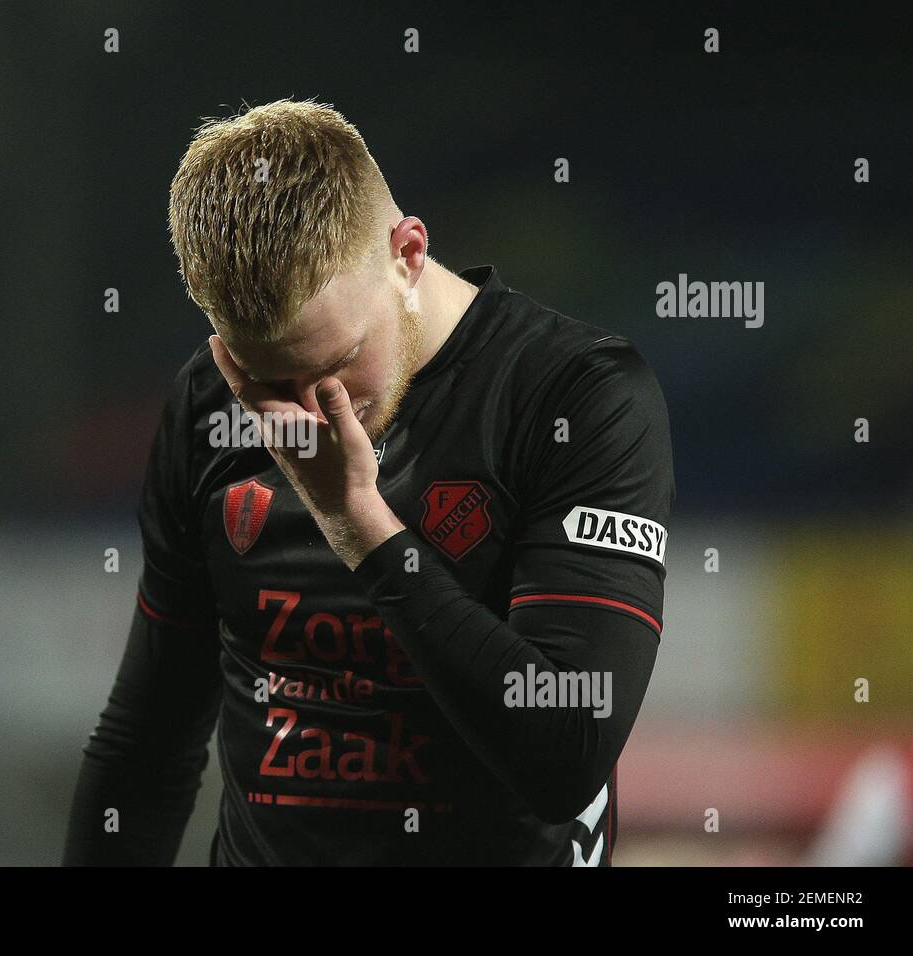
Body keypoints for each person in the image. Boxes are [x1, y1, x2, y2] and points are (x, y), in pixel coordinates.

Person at [64, 98, 675, 865]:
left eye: (337, 364)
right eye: (265, 376)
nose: (312, 410)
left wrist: (360, 524)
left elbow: (565, 754)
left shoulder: (575, 397)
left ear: (408, 253)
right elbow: (147, 741)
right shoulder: (208, 407)